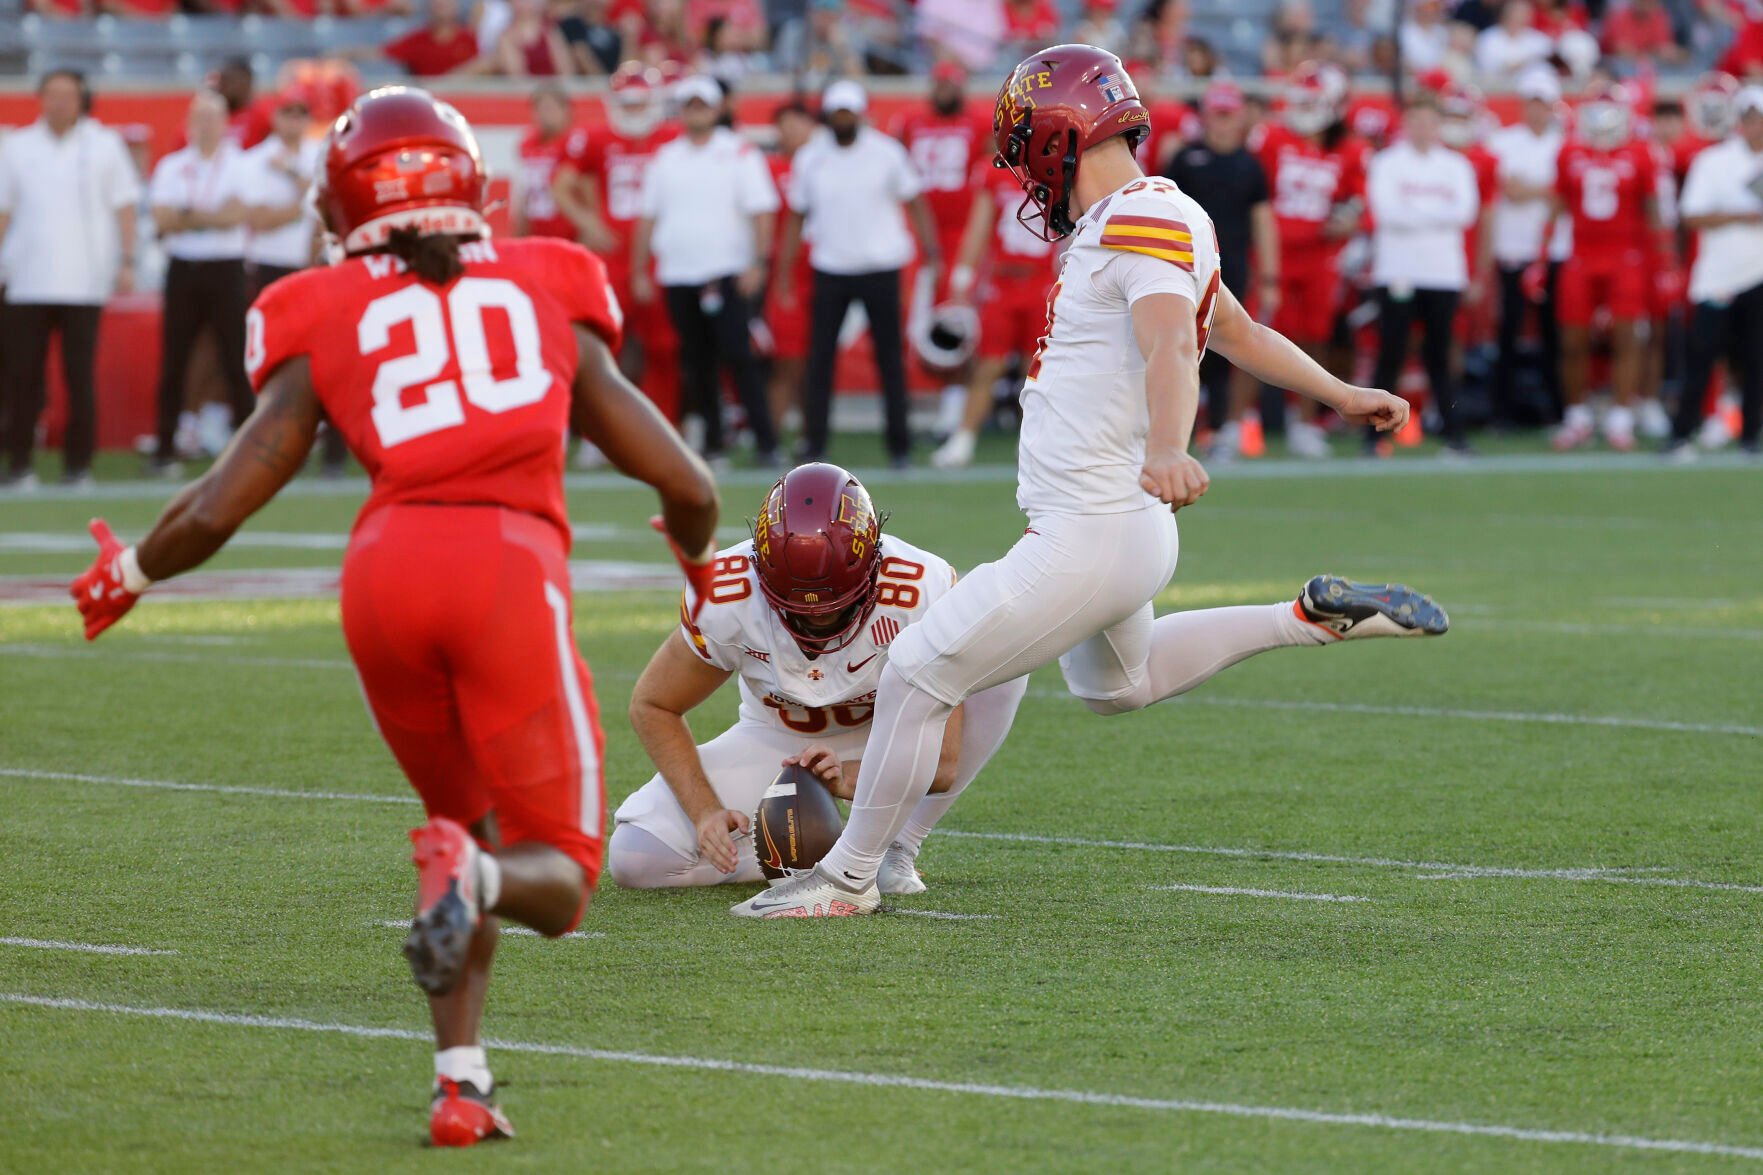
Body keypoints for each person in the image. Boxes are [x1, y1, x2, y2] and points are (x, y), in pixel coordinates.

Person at [70, 86, 719, 1145]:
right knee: (552, 873)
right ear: (471, 184)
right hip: (504, 568)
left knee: (458, 834)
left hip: (381, 578)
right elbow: (685, 480)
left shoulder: (319, 301)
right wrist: (694, 565)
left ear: (340, 205)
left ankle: (458, 1081)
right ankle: (468, 907)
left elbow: (223, 497)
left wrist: (128, 575)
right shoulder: (548, 278)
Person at [731, 46, 1447, 920]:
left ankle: (846, 879)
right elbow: (1238, 330)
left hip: (1095, 522)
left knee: (917, 670)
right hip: (1114, 529)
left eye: (1025, 146)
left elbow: (1172, 342)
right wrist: (1339, 391)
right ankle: (1304, 617)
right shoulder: (1143, 214)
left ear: (1055, 137)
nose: (1024, 170)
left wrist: (1171, 444)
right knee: (1116, 686)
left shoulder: (1140, 217)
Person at [611, 463, 1029, 890]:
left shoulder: (920, 590)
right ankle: (821, 854)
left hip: (893, 732)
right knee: (637, 859)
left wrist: (852, 774)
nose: (817, 623)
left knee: (1000, 653)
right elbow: (654, 704)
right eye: (795, 609)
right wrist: (705, 811)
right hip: (775, 740)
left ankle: (898, 846)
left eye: (837, 607)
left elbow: (941, 765)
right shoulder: (726, 594)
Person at [783, 79, 943, 467]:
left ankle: (899, 445)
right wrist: (784, 271)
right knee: (820, 358)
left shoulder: (886, 153)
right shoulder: (811, 157)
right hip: (831, 266)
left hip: (881, 265)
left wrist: (931, 249)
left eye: (848, 112)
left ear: (860, 114)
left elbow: (915, 201)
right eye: (837, 112)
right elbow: (795, 215)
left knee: (890, 358)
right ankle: (814, 442)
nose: (842, 119)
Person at [0, 70, 141, 491]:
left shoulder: (104, 145)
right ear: (40, 99)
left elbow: (125, 206)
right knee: (21, 377)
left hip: (84, 282)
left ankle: (78, 466)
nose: (60, 103)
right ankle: (20, 463)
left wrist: (127, 260)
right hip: (26, 280)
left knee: (79, 377)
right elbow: (4, 210)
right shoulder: (17, 146)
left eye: (68, 95)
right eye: (52, 95)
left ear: (83, 99)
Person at [633, 74, 780, 465]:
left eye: (703, 104)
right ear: (682, 110)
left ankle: (766, 440)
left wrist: (758, 261)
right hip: (679, 273)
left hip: (725, 271)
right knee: (696, 361)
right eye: (690, 104)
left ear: (717, 109)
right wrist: (639, 270)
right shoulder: (666, 158)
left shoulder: (740, 152)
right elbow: (648, 218)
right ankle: (714, 441)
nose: (696, 111)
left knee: (738, 355)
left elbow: (762, 210)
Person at [1536, 81, 1664, 451]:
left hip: (1625, 257)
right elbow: (1556, 205)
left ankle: (1621, 417)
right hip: (1581, 255)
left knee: (1628, 337)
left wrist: (1664, 259)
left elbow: (1652, 209)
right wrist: (1541, 257)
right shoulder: (1569, 151)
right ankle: (1577, 416)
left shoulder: (1641, 153)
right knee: (1573, 339)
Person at [1254, 61, 1367, 458]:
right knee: (1256, 334)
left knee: (1315, 336)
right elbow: (1255, 193)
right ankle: (1241, 423)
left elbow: (1358, 199)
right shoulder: (1272, 137)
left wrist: (1349, 219)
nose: (1302, 106)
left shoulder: (1349, 149)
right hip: (1274, 252)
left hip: (1321, 254)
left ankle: (1304, 421)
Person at [1163, 81, 1279, 462]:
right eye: (1217, 115)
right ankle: (1185, 431)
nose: (1222, 124)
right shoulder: (1185, 159)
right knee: (1183, 346)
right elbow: (1164, 212)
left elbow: (1263, 221)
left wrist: (1270, 277)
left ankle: (1227, 427)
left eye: (1229, 116)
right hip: (1185, 266)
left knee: (1233, 347)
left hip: (1233, 269)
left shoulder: (1250, 165)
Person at [560, 62, 680, 424]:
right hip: (613, 254)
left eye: (640, 103)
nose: (633, 111)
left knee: (665, 347)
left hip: (662, 254)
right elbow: (561, 186)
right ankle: (602, 429)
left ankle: (664, 422)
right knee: (605, 345)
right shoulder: (596, 138)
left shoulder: (673, 137)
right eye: (626, 103)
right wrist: (590, 224)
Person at [928, 147, 1060, 468]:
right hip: (1002, 281)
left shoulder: (1058, 170)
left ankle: (1034, 444)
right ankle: (963, 439)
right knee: (989, 364)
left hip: (1042, 281)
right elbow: (979, 227)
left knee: (1039, 369)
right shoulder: (996, 172)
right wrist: (962, 278)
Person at [1366, 93, 1480, 455]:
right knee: (1392, 352)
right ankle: (1375, 436)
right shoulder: (1386, 163)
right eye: (1416, 121)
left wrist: (1415, 213)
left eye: (1430, 122)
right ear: (1406, 124)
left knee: (1441, 354)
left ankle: (1452, 434)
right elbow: (1387, 212)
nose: (1423, 129)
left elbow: (1465, 212)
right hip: (1398, 271)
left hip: (1443, 273)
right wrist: (1435, 214)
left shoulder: (1456, 165)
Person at [148, 90, 254, 477]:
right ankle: (164, 446)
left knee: (235, 356)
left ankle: (248, 450)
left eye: (212, 117)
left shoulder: (242, 165)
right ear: (190, 123)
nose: (205, 125)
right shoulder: (173, 166)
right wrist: (212, 215)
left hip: (226, 267)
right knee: (175, 358)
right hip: (184, 267)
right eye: (199, 117)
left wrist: (189, 215)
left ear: (225, 122)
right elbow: (162, 218)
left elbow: (239, 214)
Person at [1666, 85, 1763, 458]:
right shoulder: (1714, 161)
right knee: (1701, 355)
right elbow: (1692, 215)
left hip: (1758, 275)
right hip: (1720, 275)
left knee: (1755, 359)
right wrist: (1742, 214)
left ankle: (1750, 436)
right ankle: (1681, 434)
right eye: (1751, 119)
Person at [1487, 67, 1568, 427]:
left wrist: (1535, 189)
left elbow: (1563, 196)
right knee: (1509, 331)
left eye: (1543, 103)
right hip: (1514, 249)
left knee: (1556, 334)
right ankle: (1502, 411)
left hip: (1555, 251)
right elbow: (1512, 191)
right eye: (1532, 102)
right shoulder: (1503, 142)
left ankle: (1559, 410)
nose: (1537, 109)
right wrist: (1547, 189)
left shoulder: (1565, 142)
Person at [763, 99, 818, 431]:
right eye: (785, 124)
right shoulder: (768, 168)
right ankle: (773, 428)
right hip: (786, 273)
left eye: (798, 122)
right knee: (788, 357)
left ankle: (812, 430)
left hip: (827, 270)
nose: (792, 131)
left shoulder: (828, 162)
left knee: (816, 359)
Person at [510, 83, 592, 241]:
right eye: (538, 109)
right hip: (538, 231)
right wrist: (520, 232)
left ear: (566, 110)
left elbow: (589, 189)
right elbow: (524, 192)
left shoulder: (577, 142)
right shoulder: (527, 144)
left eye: (549, 108)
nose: (543, 114)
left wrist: (587, 231)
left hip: (570, 233)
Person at [383, 0, 481, 77]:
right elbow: (381, 54)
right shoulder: (416, 40)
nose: (442, 6)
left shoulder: (469, 39)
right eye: (438, 5)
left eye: (446, 4)